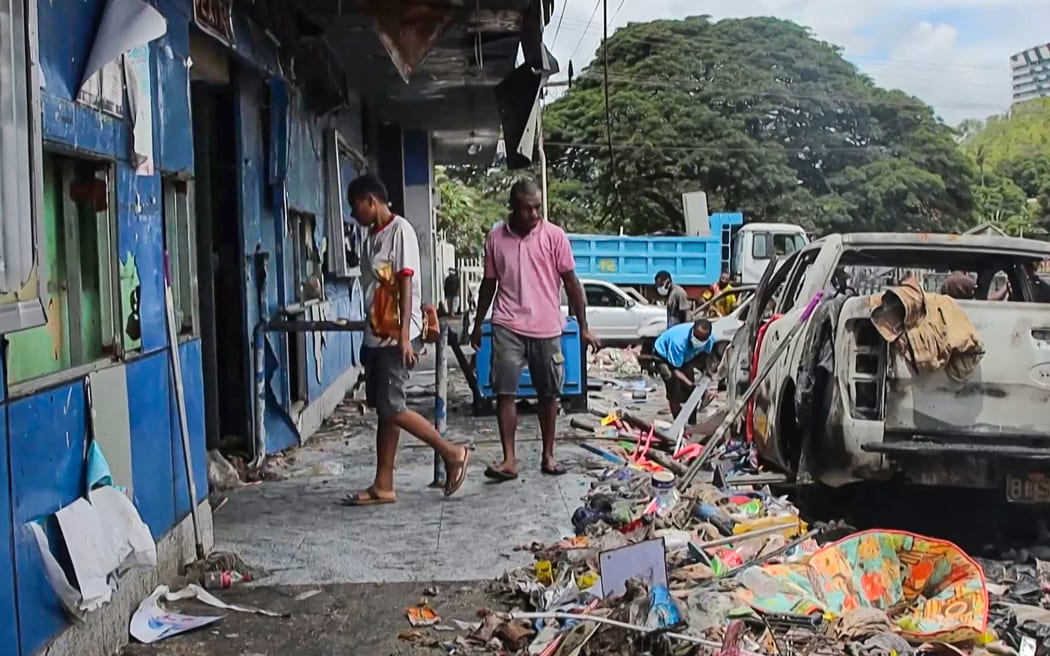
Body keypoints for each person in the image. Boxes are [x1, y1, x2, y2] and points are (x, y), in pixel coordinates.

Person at [342, 174, 469, 506]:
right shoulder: (372, 236)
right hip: (376, 330)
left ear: (370, 200)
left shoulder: (401, 231)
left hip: (395, 334)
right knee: (385, 411)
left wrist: (403, 337)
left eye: (356, 206)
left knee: (394, 407)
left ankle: (451, 452)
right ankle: (383, 484)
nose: (353, 214)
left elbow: (405, 284)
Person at [471, 179, 600, 480]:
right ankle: (509, 460)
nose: (534, 214)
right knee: (504, 392)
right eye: (527, 208)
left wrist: (583, 327)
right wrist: (477, 323)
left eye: (537, 207)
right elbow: (489, 284)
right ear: (513, 208)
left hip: (546, 327)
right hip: (507, 324)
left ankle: (548, 455)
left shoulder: (554, 236)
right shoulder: (495, 239)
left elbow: (572, 283)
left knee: (549, 394)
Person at [653, 319, 715, 419]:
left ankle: (691, 423)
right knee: (674, 387)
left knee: (692, 392)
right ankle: (678, 423)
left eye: (702, 339)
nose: (698, 341)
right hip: (663, 356)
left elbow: (707, 356)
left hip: (685, 357)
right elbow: (675, 370)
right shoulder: (678, 342)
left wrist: (708, 372)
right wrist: (690, 384)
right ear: (692, 331)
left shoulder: (709, 340)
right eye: (697, 337)